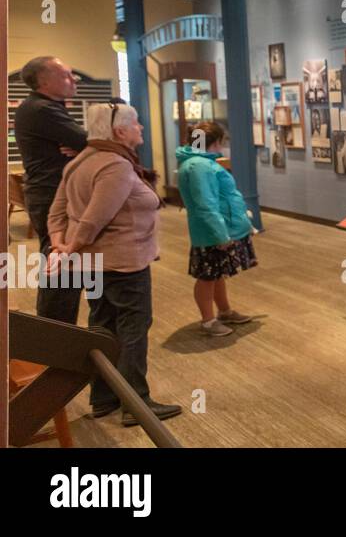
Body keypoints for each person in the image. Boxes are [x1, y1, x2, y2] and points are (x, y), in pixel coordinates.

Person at [46, 101, 182, 425]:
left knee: (103, 327)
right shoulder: (115, 166)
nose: (142, 128)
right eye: (137, 123)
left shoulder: (81, 161)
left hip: (92, 264)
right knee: (133, 329)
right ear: (120, 131)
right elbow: (95, 218)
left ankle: (104, 397)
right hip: (123, 265)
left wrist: (61, 244)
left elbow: (57, 212)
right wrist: (69, 247)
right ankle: (136, 403)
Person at [14, 56, 88, 323]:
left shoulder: (40, 107)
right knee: (63, 266)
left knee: (62, 266)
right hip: (53, 198)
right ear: (44, 81)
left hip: (49, 195)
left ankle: (54, 337)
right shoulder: (42, 109)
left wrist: (80, 149)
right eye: (67, 75)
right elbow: (91, 141)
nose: (74, 80)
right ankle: (56, 342)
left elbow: (83, 143)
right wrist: (85, 146)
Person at [176, 121, 257, 338]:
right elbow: (206, 204)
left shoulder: (198, 163)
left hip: (218, 228)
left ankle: (224, 311)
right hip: (211, 231)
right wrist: (220, 234)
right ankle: (208, 321)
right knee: (207, 276)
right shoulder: (200, 166)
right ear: (215, 141)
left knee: (216, 273)